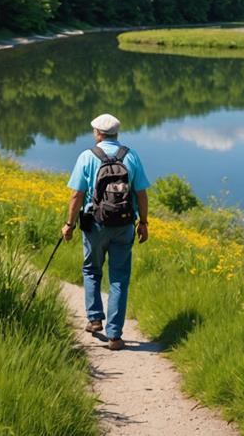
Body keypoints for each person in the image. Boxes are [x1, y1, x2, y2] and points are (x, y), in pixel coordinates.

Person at [61, 113, 150, 350]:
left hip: (95, 224)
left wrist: (69, 224)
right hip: (124, 224)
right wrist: (144, 222)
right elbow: (141, 193)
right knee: (119, 278)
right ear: (116, 133)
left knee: (91, 270)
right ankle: (115, 336)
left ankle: (95, 319)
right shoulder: (130, 156)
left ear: (98, 133)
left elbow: (77, 194)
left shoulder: (87, 157)